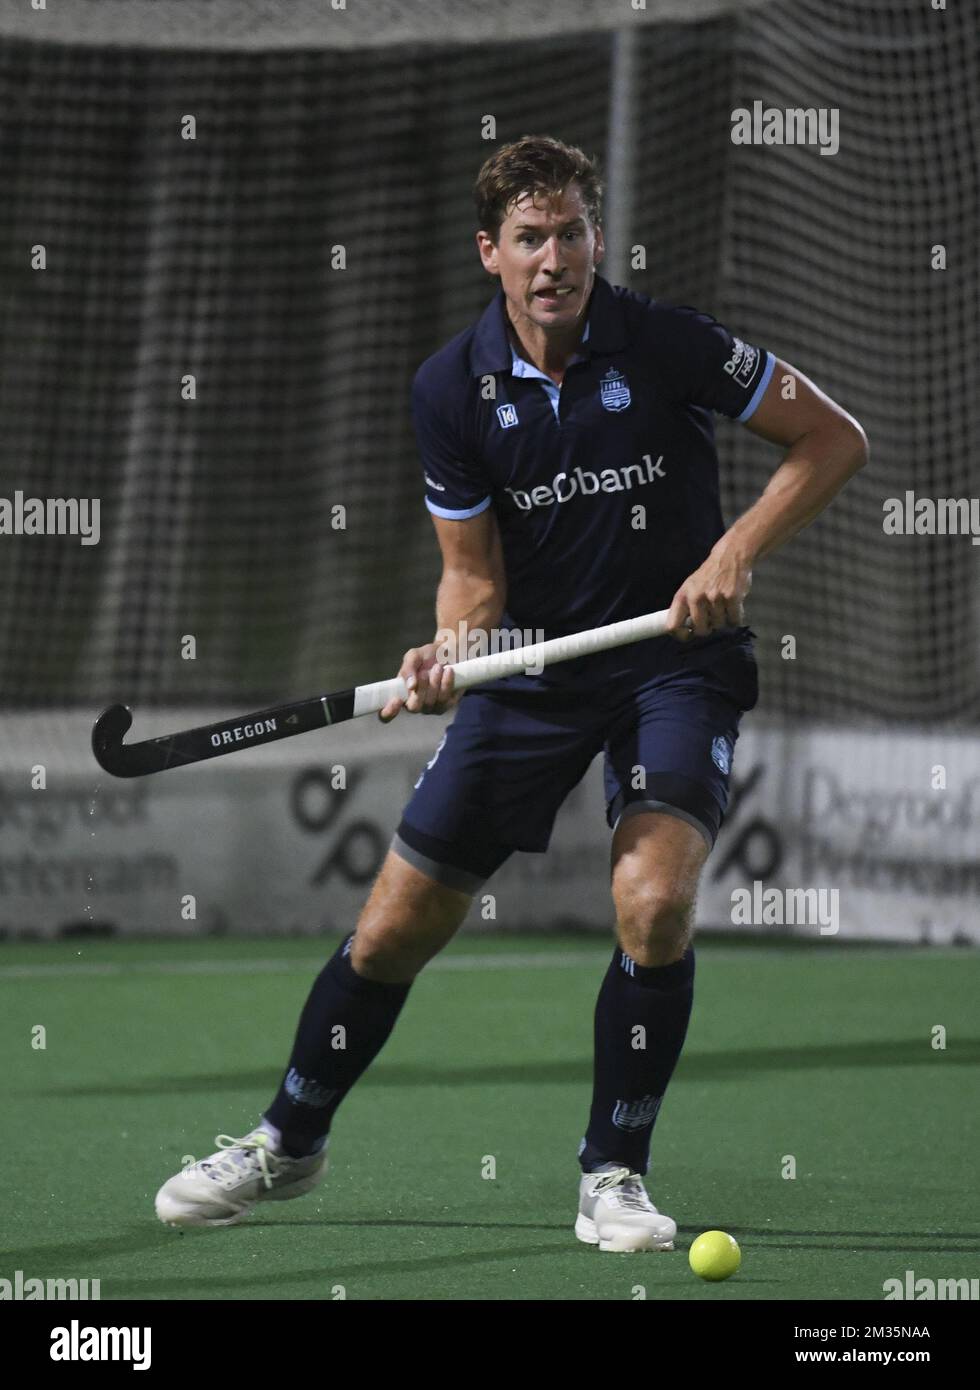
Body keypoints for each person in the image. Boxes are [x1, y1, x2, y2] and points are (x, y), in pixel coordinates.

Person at [155, 135, 867, 1251]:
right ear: (490, 251)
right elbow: (473, 582)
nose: (553, 259)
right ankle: (285, 1143)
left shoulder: (668, 343)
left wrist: (730, 555)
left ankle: (613, 1173)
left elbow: (831, 439)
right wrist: (445, 653)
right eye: (529, 238)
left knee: (652, 903)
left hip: (671, 663)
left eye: (571, 232)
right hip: (531, 672)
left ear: (596, 235)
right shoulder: (448, 388)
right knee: (391, 929)